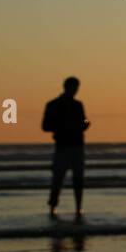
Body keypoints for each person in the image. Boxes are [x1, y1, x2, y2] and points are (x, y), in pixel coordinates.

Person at [42, 76, 89, 218]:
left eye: (76, 88)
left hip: (77, 146)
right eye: (73, 88)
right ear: (66, 87)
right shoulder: (53, 105)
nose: (75, 91)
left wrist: (84, 124)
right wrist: (64, 126)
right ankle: (52, 207)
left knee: (78, 179)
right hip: (62, 146)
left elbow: (84, 120)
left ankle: (78, 208)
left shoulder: (78, 105)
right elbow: (45, 126)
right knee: (58, 178)